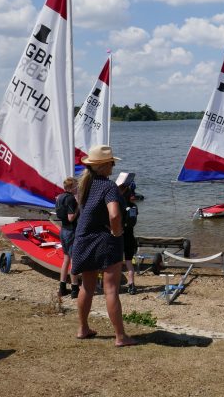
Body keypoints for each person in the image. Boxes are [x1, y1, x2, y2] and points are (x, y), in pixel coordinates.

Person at [71, 145, 136, 347]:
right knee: (110, 290)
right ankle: (120, 336)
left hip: (82, 239)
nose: (114, 165)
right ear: (103, 166)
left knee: (87, 287)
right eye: (111, 162)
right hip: (104, 241)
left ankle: (83, 328)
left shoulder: (84, 185)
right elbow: (114, 214)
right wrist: (117, 232)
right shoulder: (108, 187)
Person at [56, 177, 80, 299]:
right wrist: (78, 206)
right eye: (76, 186)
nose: (77, 188)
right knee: (74, 259)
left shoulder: (59, 197)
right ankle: (75, 288)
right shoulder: (70, 199)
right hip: (71, 230)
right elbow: (71, 217)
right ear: (71, 187)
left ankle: (62, 287)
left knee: (66, 259)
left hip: (63, 230)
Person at [117, 179, 139, 295]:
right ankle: (131, 285)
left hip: (119, 236)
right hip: (130, 236)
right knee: (129, 262)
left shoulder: (118, 206)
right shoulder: (134, 207)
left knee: (117, 262)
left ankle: (115, 284)